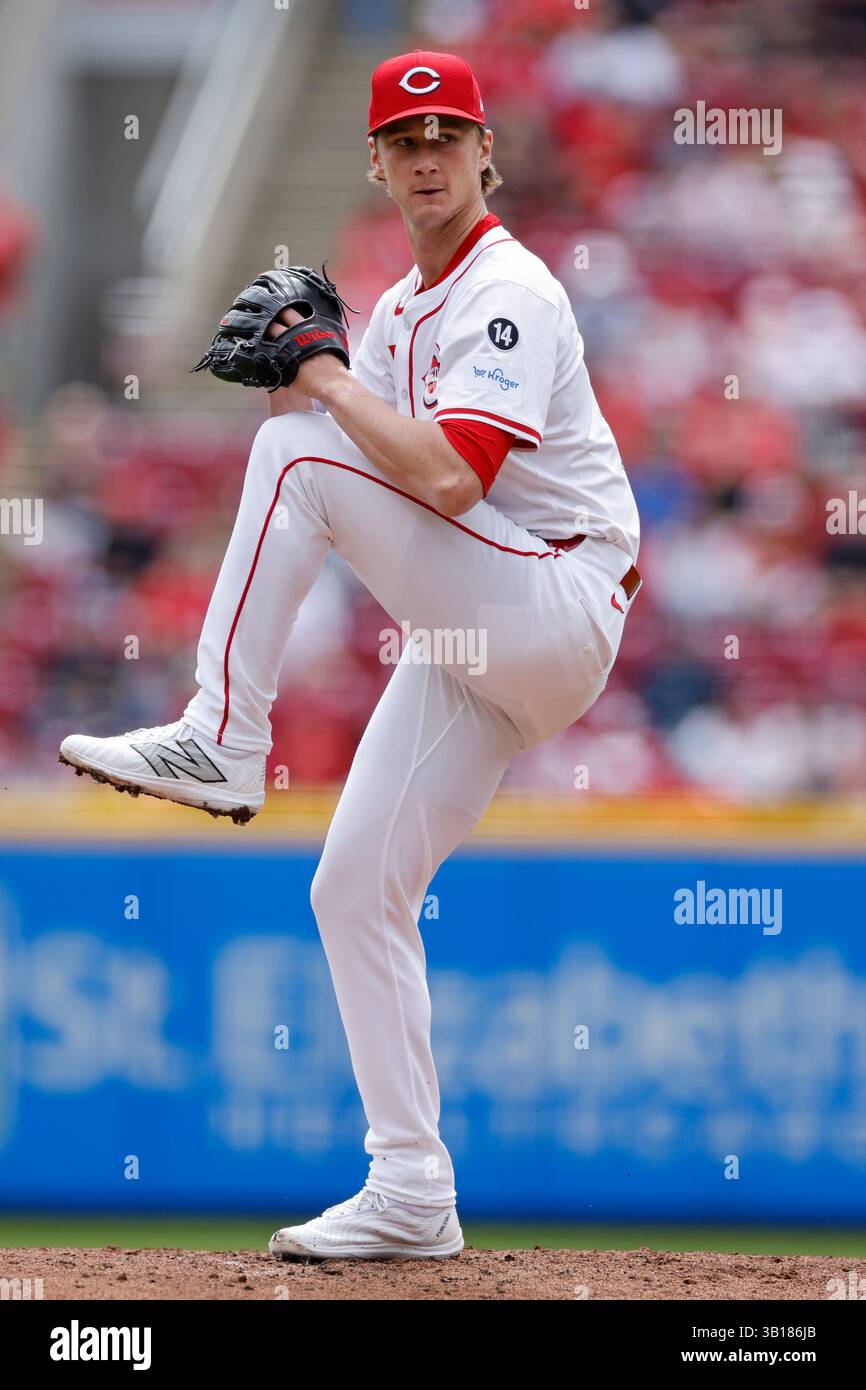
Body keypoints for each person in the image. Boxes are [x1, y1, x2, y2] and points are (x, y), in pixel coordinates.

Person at [60, 50, 640, 1262]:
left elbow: (439, 475)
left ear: (487, 150)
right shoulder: (397, 316)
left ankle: (224, 736)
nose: (427, 154)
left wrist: (313, 374)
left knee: (295, 461)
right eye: (404, 138)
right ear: (375, 162)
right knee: (350, 887)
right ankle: (412, 1186)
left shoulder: (509, 289)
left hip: (558, 597)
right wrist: (290, 376)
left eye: (447, 134)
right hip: (481, 634)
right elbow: (329, 456)